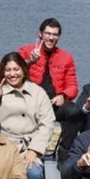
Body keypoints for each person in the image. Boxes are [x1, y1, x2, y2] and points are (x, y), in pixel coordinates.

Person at [17, 18, 79, 157]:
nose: (51, 38)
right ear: (40, 34)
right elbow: (12, 74)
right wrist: (29, 61)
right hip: (31, 101)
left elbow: (73, 86)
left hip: (54, 103)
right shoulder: (26, 51)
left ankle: (64, 153)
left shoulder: (66, 57)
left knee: (75, 112)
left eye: (55, 34)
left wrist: (63, 95)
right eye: (48, 33)